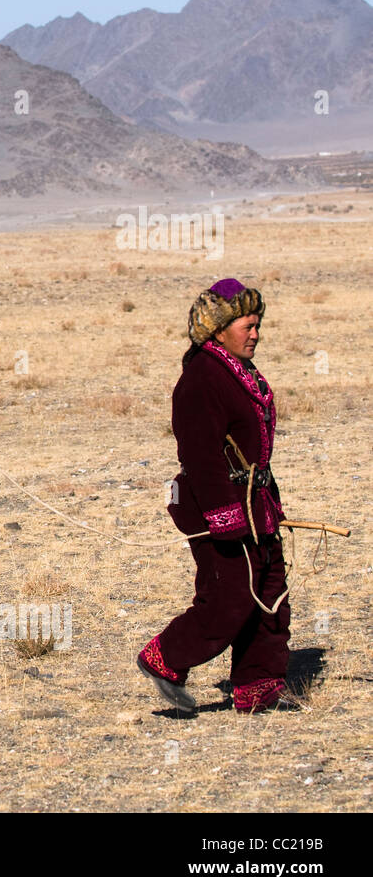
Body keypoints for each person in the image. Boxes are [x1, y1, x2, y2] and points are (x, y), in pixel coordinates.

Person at [137, 278, 291, 714]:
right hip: (216, 505)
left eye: (258, 324)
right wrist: (225, 516)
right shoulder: (202, 378)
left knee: (270, 590)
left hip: (254, 503)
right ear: (218, 328)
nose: (256, 333)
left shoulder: (242, 371)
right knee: (229, 598)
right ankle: (164, 658)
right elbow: (200, 453)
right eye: (248, 325)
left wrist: (265, 503)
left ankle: (257, 685)